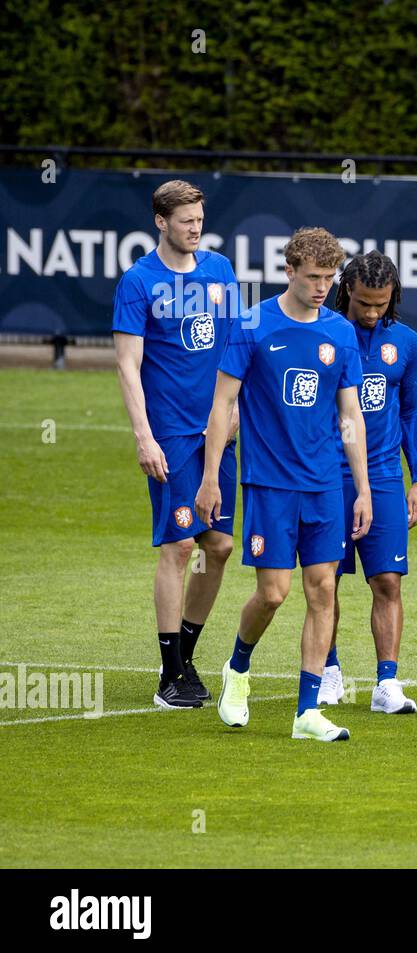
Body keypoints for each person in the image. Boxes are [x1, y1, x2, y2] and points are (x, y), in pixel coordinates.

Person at [195, 227, 371, 742]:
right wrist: (211, 479)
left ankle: (306, 712)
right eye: (313, 277)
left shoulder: (339, 333)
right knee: (273, 595)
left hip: (324, 486)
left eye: (329, 278)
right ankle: (238, 668)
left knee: (323, 593)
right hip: (268, 485)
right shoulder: (252, 327)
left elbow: (351, 416)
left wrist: (360, 488)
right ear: (289, 271)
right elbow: (223, 404)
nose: (322, 287)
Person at [111, 179, 241, 708]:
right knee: (180, 545)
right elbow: (128, 364)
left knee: (220, 546)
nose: (195, 228)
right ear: (161, 222)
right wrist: (144, 436)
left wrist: (236, 415)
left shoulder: (220, 272)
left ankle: (185, 658)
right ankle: (170, 677)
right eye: (185, 220)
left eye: (199, 220)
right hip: (170, 434)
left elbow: (236, 351)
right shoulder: (138, 282)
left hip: (219, 433)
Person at [317, 251, 417, 715]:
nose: (372, 312)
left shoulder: (407, 343)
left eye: (381, 304)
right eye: (363, 303)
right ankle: (329, 671)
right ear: (347, 293)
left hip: (382, 477)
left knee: (388, 581)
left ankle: (387, 682)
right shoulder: (323, 334)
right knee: (325, 581)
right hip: (325, 476)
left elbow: (411, 413)